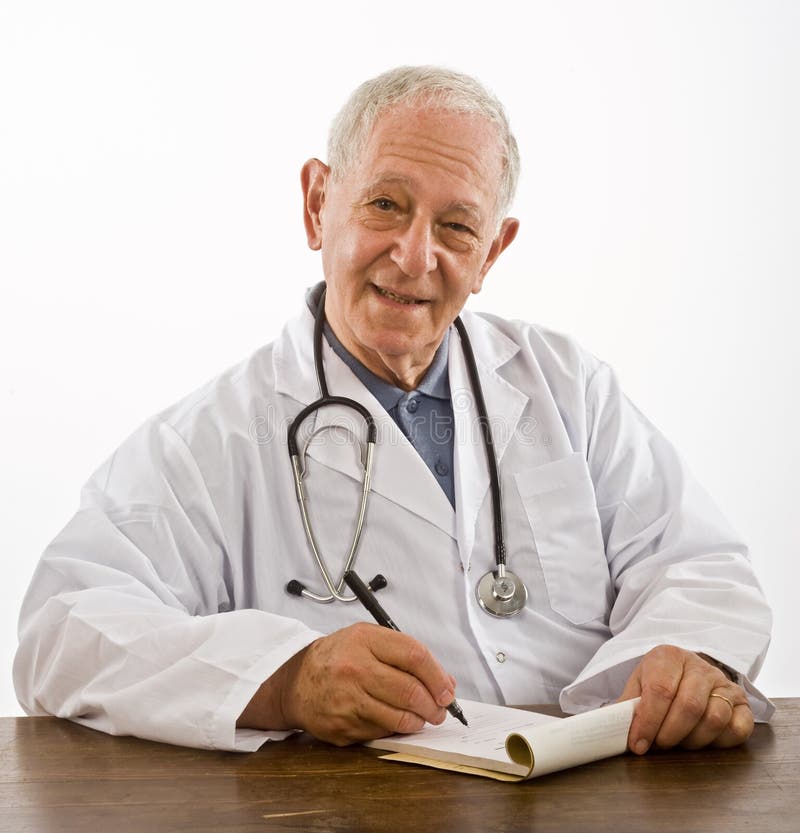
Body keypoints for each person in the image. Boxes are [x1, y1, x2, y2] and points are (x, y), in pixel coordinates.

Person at [14, 66, 772, 755]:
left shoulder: (568, 388)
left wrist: (687, 658)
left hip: (601, 787)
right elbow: (63, 630)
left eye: (456, 226)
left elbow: (696, 562)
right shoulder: (211, 438)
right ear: (318, 205)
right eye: (386, 204)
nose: (415, 256)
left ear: (492, 254)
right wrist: (285, 678)